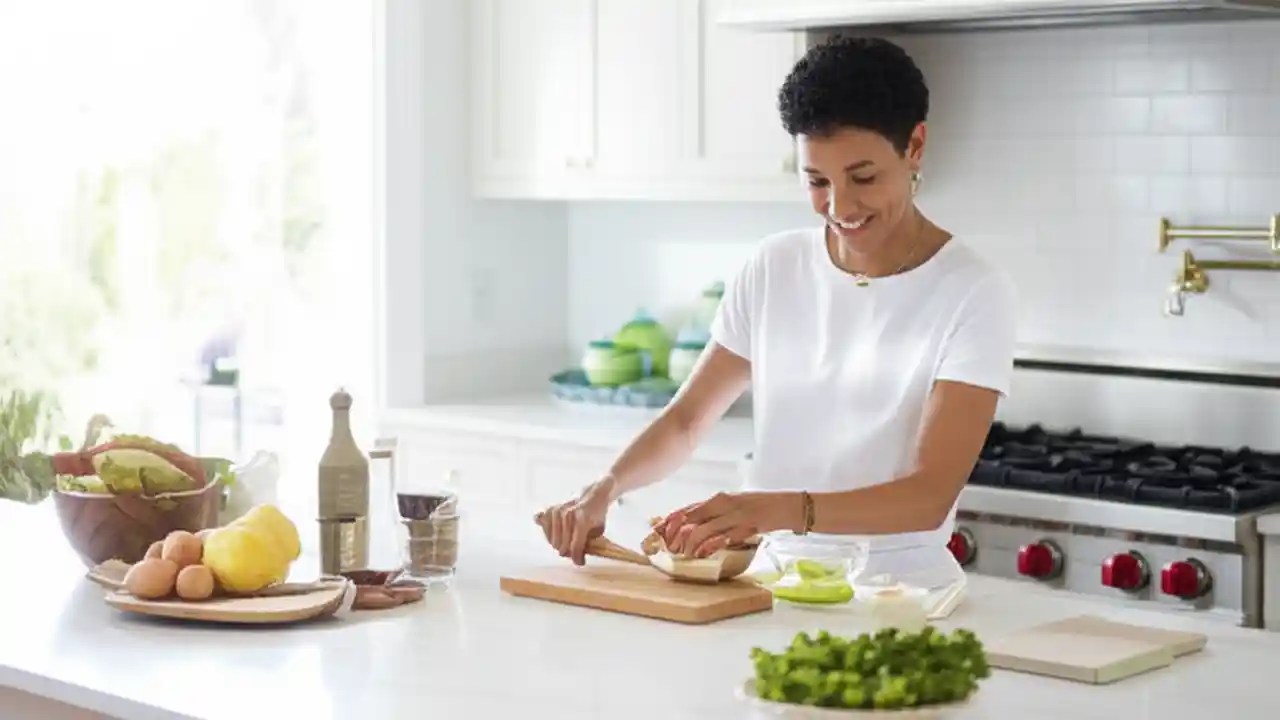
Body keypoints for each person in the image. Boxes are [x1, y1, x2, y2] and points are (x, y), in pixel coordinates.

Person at [535, 35, 1016, 584]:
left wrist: (773, 509)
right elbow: (689, 421)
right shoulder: (774, 266)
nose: (839, 207)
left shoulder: (973, 291)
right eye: (816, 181)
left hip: (901, 598)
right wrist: (606, 487)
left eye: (863, 178)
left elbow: (928, 495)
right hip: (771, 586)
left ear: (915, 147)